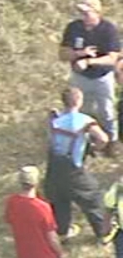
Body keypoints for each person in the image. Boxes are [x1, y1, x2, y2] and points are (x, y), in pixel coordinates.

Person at [46, 85, 110, 239]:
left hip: (54, 168)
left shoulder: (56, 120)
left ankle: (63, 232)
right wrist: (94, 147)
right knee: (93, 197)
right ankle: (103, 233)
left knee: (59, 199)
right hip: (73, 169)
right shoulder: (84, 120)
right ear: (79, 101)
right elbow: (103, 139)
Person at [59, 0, 120, 141]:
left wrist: (88, 62)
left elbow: (112, 58)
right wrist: (78, 54)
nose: (82, 16)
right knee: (82, 111)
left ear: (97, 12)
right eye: (80, 12)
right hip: (79, 78)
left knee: (106, 112)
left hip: (102, 78)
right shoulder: (73, 28)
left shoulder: (108, 29)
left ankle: (111, 141)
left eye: (86, 13)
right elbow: (62, 54)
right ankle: (84, 141)